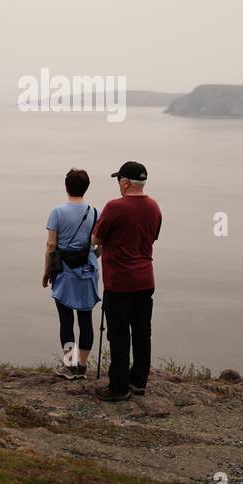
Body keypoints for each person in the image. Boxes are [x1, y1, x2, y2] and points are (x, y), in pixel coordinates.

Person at [91, 161, 162, 401]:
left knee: (119, 335)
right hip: (145, 279)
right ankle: (138, 382)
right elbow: (152, 237)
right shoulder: (154, 207)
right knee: (142, 333)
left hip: (119, 282)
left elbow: (96, 238)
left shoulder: (114, 207)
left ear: (125, 182)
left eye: (119, 181)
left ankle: (118, 387)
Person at [42, 168, 100, 379]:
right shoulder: (95, 212)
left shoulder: (57, 212)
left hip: (64, 271)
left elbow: (51, 245)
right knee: (86, 319)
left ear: (66, 186)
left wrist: (47, 271)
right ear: (86, 187)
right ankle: (83, 366)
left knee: (66, 320)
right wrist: (94, 256)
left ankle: (70, 365)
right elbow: (101, 243)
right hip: (87, 271)